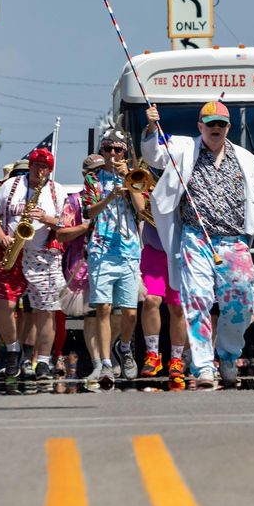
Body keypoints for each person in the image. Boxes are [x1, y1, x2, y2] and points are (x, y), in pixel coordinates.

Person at [142, 101, 254, 388]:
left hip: (234, 242)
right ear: (200, 126)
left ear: (228, 127)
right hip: (196, 238)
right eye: (210, 123)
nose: (216, 128)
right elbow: (154, 155)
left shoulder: (246, 159)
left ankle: (228, 356)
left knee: (241, 304)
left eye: (221, 124)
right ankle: (203, 366)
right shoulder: (183, 148)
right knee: (198, 300)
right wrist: (152, 127)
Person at [0, 148, 65, 385]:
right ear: (29, 166)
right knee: (4, 304)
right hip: (11, 249)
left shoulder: (57, 190)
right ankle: (13, 350)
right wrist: (2, 236)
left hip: (43, 255)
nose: (39, 170)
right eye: (36, 166)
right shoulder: (11, 185)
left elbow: (66, 222)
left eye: (44, 167)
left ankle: (43, 360)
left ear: (49, 170)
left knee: (45, 310)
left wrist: (47, 219)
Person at [82, 128, 145, 387]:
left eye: (117, 149)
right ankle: (106, 364)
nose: (111, 154)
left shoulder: (136, 175)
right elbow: (89, 212)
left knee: (130, 312)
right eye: (107, 148)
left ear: (125, 152)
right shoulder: (93, 179)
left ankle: (125, 347)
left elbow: (142, 210)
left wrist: (129, 183)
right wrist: (109, 197)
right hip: (101, 249)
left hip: (129, 250)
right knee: (104, 308)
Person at [57, 155, 103, 391]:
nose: (96, 176)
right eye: (93, 172)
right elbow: (62, 234)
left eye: (101, 170)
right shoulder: (73, 201)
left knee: (116, 312)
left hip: (110, 258)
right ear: (84, 174)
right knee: (92, 316)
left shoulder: (112, 195)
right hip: (82, 262)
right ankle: (97, 361)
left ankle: (110, 353)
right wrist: (85, 227)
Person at [137, 177, 189, 391]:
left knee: (177, 307)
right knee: (151, 300)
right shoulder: (149, 177)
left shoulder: (182, 176)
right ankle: (152, 354)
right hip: (154, 251)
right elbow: (140, 208)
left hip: (178, 249)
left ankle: (176, 359)